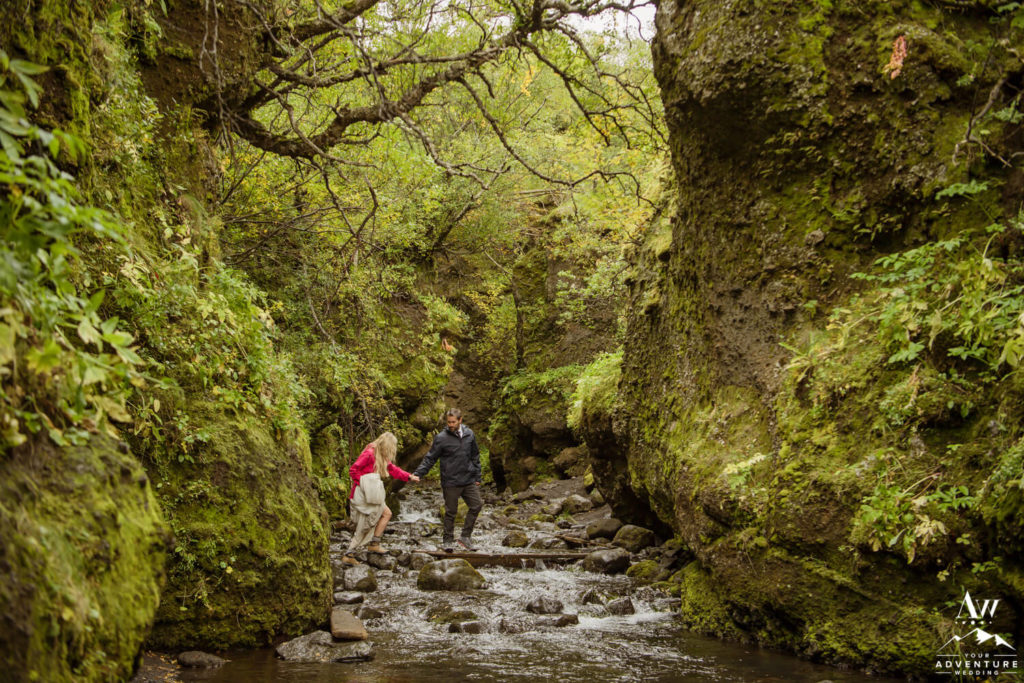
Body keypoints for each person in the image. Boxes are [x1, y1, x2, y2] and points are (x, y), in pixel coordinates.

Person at [412, 408, 483, 551]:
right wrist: (419, 474)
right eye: (448, 422)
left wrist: (477, 476)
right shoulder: (441, 438)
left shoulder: (469, 434)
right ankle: (448, 541)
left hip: (468, 479)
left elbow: (475, 455)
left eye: (453, 422)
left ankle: (465, 537)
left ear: (460, 420)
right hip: (450, 481)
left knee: (476, 505)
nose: (450, 424)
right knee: (451, 512)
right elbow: (430, 458)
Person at [343, 431, 419, 565]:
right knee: (365, 523)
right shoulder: (369, 454)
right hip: (363, 495)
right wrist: (365, 484)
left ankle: (374, 543)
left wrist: (409, 476)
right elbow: (353, 470)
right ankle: (349, 554)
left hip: (373, 496)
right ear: (387, 446)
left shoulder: (381, 455)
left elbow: (393, 469)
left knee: (386, 514)